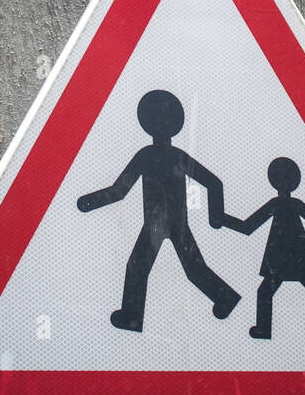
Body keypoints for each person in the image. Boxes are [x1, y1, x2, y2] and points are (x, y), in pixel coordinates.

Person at [77, 89, 240, 332]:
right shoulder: (176, 156)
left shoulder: (148, 155)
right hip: (173, 222)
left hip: (156, 223)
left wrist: (90, 202)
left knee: (139, 267)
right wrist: (215, 216)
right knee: (192, 268)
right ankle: (224, 297)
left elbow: (119, 190)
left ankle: (133, 316)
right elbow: (214, 184)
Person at [215, 156, 305, 339]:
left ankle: (264, 329)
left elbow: (248, 226)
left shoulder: (279, 204)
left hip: (284, 255)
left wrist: (224, 220)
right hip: (292, 255)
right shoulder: (292, 204)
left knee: (276, 291)